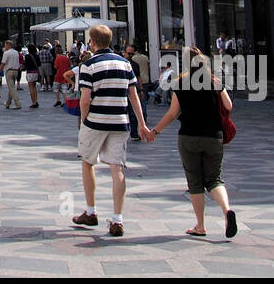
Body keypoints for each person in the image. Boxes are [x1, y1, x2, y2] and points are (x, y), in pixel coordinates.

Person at [147, 47, 237, 240]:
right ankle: (227, 210)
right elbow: (229, 106)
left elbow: (173, 113)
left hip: (188, 136)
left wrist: (155, 131)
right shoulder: (215, 82)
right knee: (214, 179)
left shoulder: (180, 83)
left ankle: (200, 225)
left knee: (195, 183)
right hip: (214, 136)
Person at [70, 25, 150, 238]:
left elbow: (85, 98)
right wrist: (141, 124)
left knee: (88, 163)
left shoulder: (89, 65)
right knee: (118, 168)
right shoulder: (125, 64)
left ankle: (91, 211)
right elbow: (134, 96)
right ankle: (117, 219)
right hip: (120, 122)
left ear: (92, 42)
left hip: (95, 121)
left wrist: (85, 120)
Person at [1, 39, 22, 110]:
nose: (5, 46)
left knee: (11, 88)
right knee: (11, 87)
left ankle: (17, 103)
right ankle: (8, 103)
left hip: (9, 71)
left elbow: (3, 63)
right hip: (16, 71)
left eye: (5, 45)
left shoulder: (6, 53)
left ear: (8, 45)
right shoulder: (16, 52)